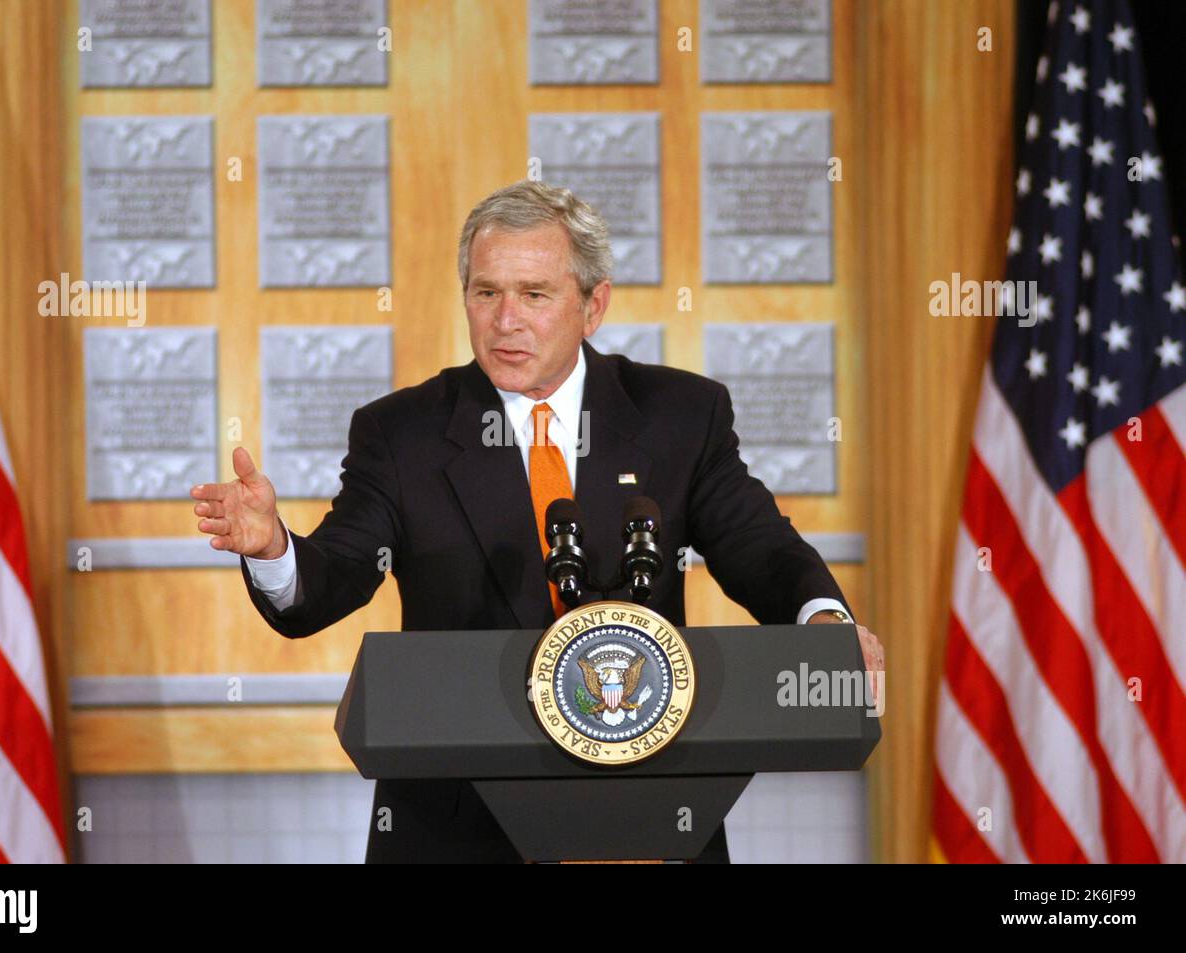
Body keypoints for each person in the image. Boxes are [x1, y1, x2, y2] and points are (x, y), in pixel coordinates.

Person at [190, 180, 885, 863]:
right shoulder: (404, 434)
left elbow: (758, 546)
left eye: (534, 294)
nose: (505, 320)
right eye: (485, 292)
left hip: (649, 813)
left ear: (594, 304)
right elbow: (333, 576)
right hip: (460, 830)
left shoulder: (679, 415)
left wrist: (822, 627)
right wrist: (274, 546)